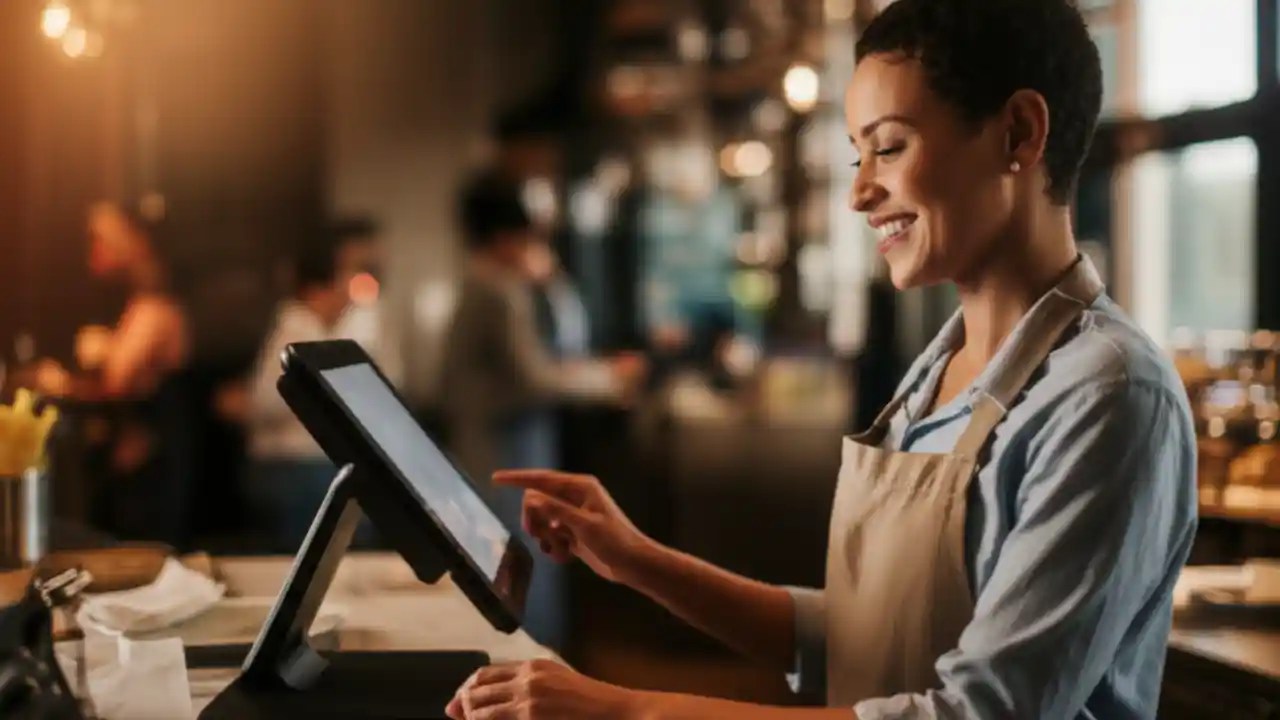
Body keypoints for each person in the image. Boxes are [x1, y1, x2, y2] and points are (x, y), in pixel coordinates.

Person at [445, 1, 1197, 718]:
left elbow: (983, 712)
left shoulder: (1109, 394)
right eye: (856, 155)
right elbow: (862, 635)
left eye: (891, 146)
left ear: (1019, 134)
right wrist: (639, 559)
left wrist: (627, 708)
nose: (861, 192)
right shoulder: (935, 376)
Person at [441, 172, 641, 653]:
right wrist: (609, 380)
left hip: (496, 447)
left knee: (522, 566)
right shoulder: (496, 290)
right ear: (507, 234)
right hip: (499, 453)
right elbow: (535, 376)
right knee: (521, 568)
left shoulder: (484, 284)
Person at [244, 219, 394, 553]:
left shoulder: (360, 320)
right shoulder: (295, 324)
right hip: (297, 469)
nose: (355, 284)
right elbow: (268, 399)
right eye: (349, 274)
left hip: (328, 465)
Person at [86, 200, 196, 546]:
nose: (97, 249)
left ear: (139, 239)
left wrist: (105, 351)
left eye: (106, 237)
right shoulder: (139, 302)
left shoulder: (157, 307)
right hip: (145, 460)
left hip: (153, 467)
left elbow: (120, 380)